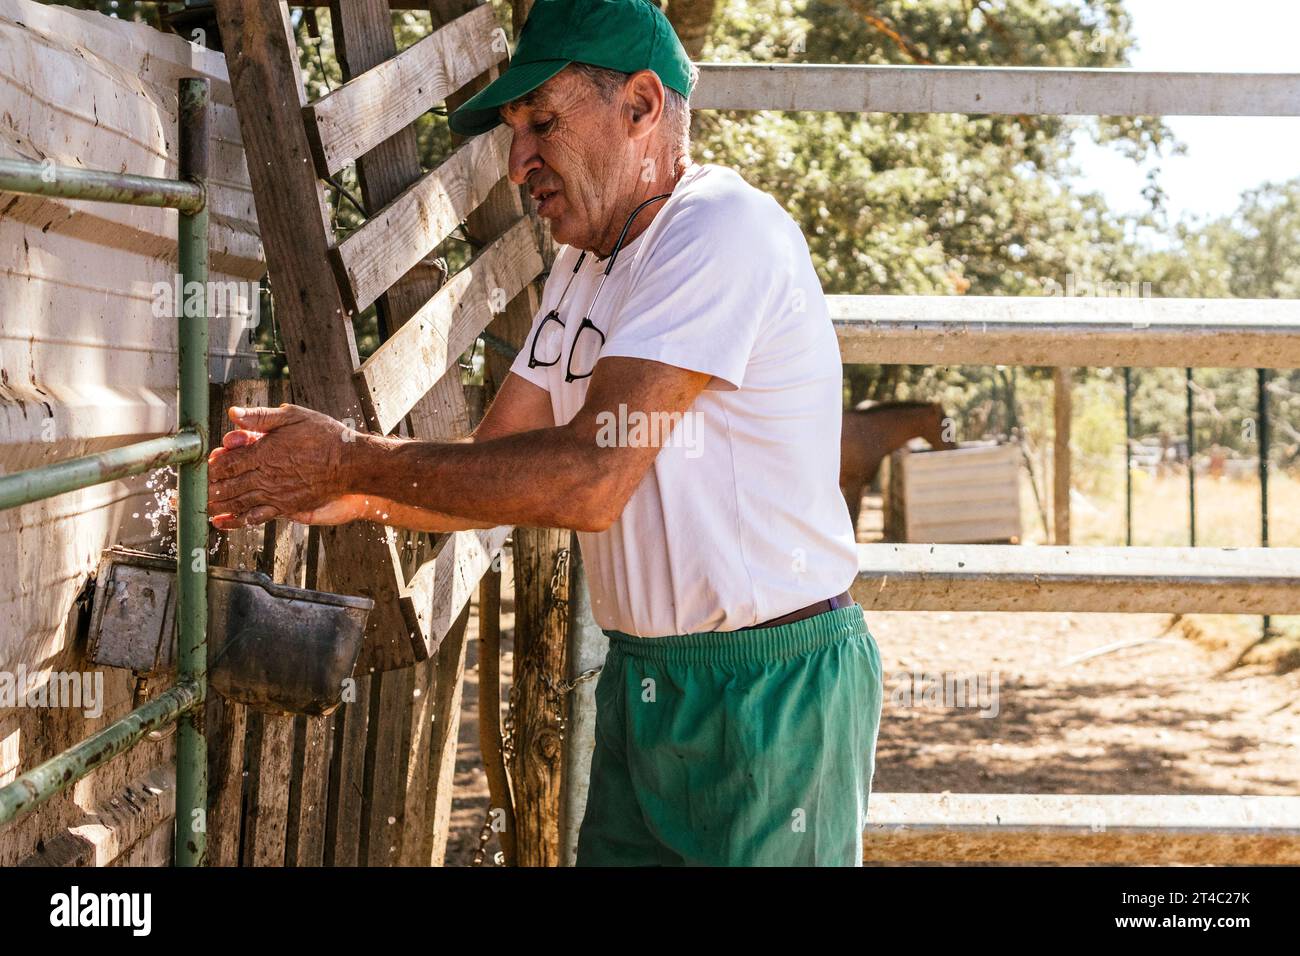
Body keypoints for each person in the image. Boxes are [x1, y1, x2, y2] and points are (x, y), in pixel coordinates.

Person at [207, 0, 881, 866]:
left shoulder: (718, 231)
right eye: (516, 129)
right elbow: (495, 469)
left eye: (543, 122)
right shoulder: (582, 266)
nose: (519, 158)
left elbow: (586, 481)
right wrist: (350, 489)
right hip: (650, 680)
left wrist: (348, 459)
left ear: (641, 106)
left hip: (766, 687)